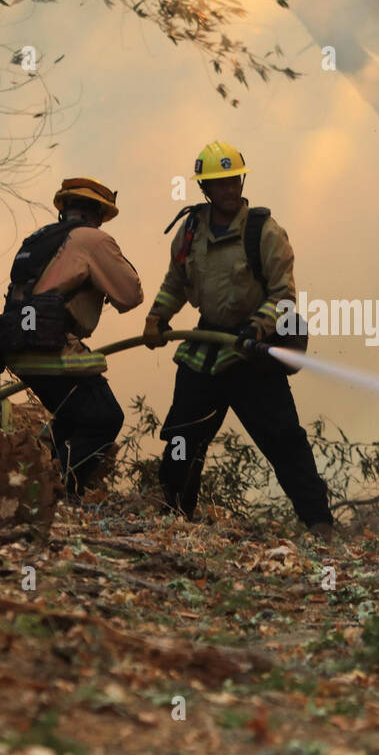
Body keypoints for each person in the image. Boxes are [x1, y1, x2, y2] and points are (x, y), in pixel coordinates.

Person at [143, 141, 335, 539]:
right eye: (219, 184)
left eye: (233, 181)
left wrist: (257, 330)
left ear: (241, 180)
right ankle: (174, 515)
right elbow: (175, 282)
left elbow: (283, 295)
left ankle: (319, 523)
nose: (229, 190)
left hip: (252, 354)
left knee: (283, 439)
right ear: (205, 189)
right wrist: (157, 316)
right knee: (183, 435)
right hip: (205, 349)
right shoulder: (191, 231)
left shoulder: (264, 232)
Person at [6, 178, 143, 498]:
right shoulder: (93, 239)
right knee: (105, 419)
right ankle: (48, 493)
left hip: (20, 346)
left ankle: (38, 479)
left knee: (72, 416)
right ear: (98, 214)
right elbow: (129, 295)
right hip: (52, 349)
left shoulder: (42, 239)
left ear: (64, 209)